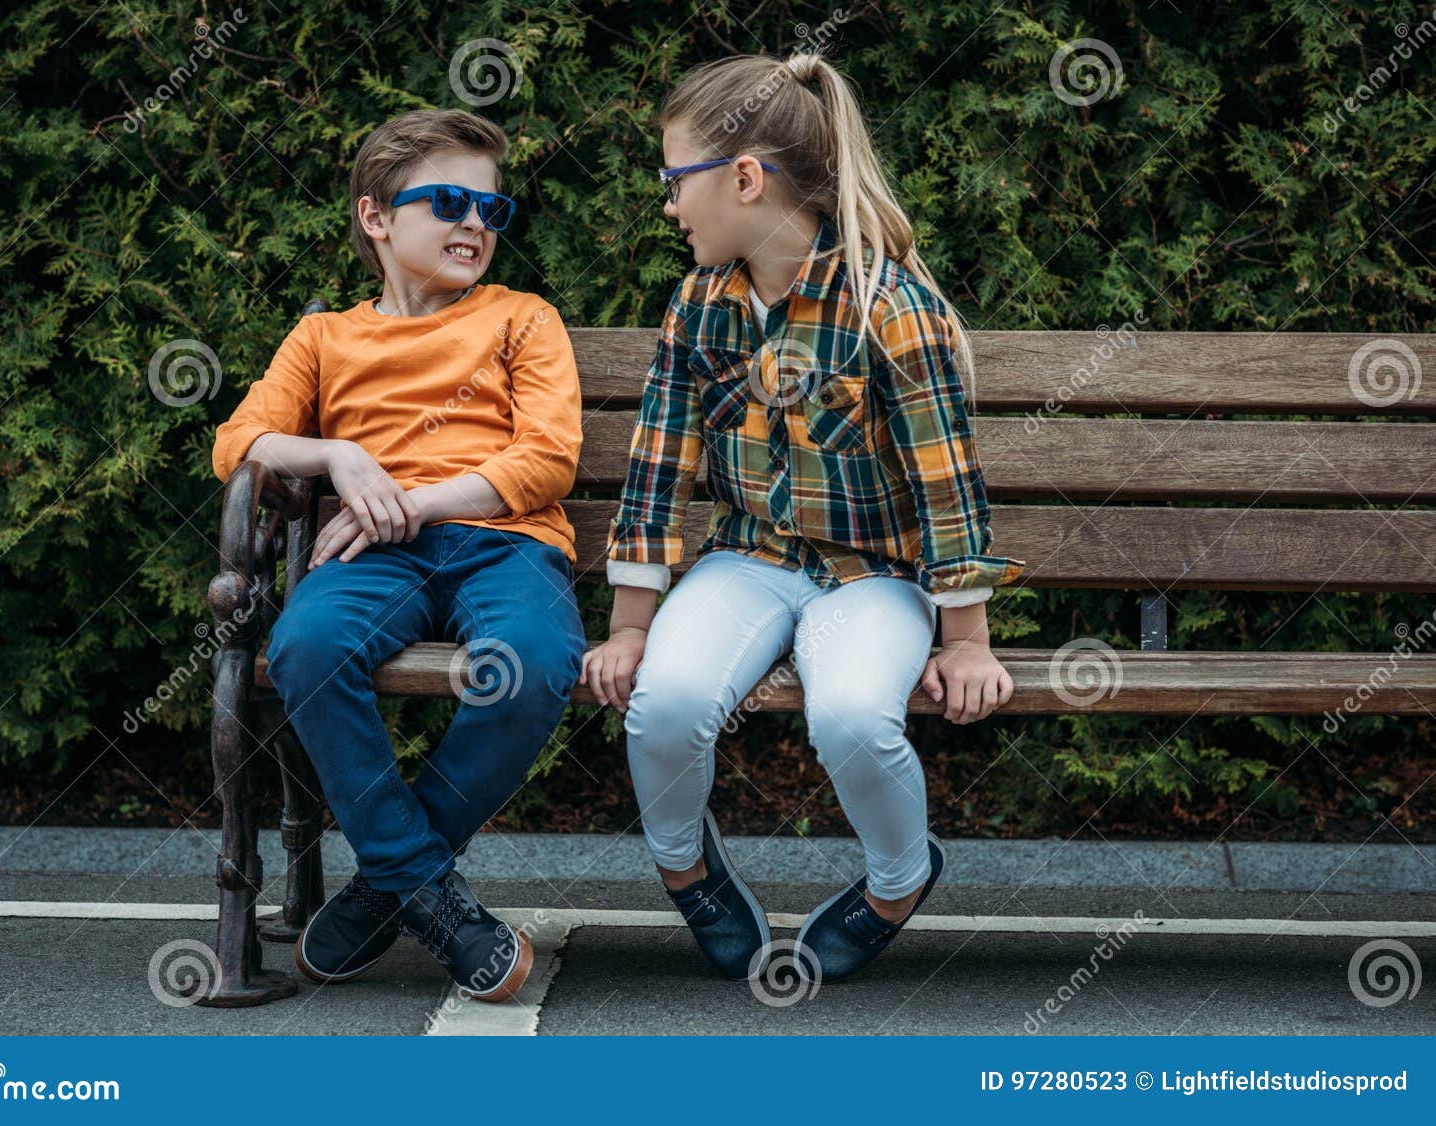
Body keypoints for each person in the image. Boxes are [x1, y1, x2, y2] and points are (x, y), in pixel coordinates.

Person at [580, 51, 1026, 983]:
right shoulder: (700, 308)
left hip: (872, 578)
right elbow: (661, 465)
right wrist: (630, 626)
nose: (668, 206)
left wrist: (968, 640)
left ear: (745, 179)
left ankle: (898, 880)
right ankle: (688, 870)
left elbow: (948, 486)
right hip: (745, 559)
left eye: (675, 182)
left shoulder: (889, 310)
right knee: (662, 705)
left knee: (858, 718)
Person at [212, 108, 584, 1002]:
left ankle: (392, 883)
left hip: (503, 543)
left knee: (530, 664)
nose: (474, 224)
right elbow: (240, 444)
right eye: (449, 201)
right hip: (377, 557)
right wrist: (335, 454)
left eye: (492, 211)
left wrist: (411, 503)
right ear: (377, 217)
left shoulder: (522, 319)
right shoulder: (325, 338)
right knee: (306, 647)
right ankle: (428, 891)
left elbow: (546, 458)